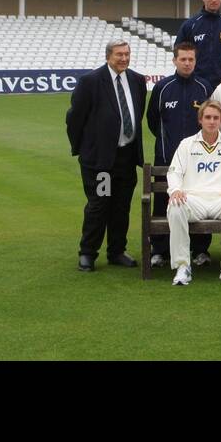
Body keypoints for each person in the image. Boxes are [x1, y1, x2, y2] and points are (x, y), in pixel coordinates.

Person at [66, 39, 147, 272]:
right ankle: (88, 253)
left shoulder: (137, 80)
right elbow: (74, 119)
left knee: (121, 206)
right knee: (99, 205)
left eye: (127, 54)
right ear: (108, 56)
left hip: (126, 158)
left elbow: (137, 113)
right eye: (119, 54)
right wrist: (85, 148)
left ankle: (117, 251)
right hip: (101, 162)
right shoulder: (91, 82)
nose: (124, 58)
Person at [165, 100, 221, 285]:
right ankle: (183, 266)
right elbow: (175, 171)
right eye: (208, 117)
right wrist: (176, 190)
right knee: (175, 205)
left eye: (216, 118)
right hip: (194, 200)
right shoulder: (187, 144)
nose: (212, 121)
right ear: (200, 120)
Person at [146, 42, 213, 267]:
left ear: (195, 61)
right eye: (182, 59)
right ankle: (159, 250)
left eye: (190, 59)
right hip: (166, 158)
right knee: (163, 201)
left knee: (200, 199)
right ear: (174, 60)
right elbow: (153, 121)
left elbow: (210, 121)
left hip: (199, 160)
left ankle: (200, 249)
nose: (187, 63)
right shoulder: (162, 88)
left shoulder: (204, 88)